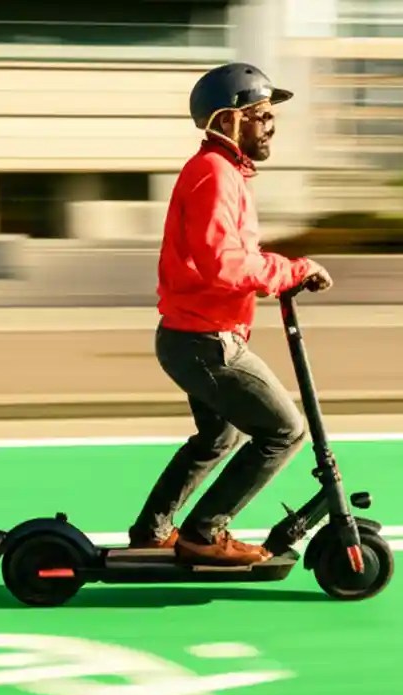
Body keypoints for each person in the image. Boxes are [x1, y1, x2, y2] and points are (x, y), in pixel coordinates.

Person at [125, 62, 334, 566]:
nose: (271, 125)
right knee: (285, 431)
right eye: (261, 114)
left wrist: (279, 273)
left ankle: (153, 531)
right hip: (204, 341)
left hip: (193, 336)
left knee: (218, 435)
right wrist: (290, 271)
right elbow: (224, 264)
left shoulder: (223, 174)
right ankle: (205, 531)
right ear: (228, 120)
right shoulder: (215, 176)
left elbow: (231, 258)